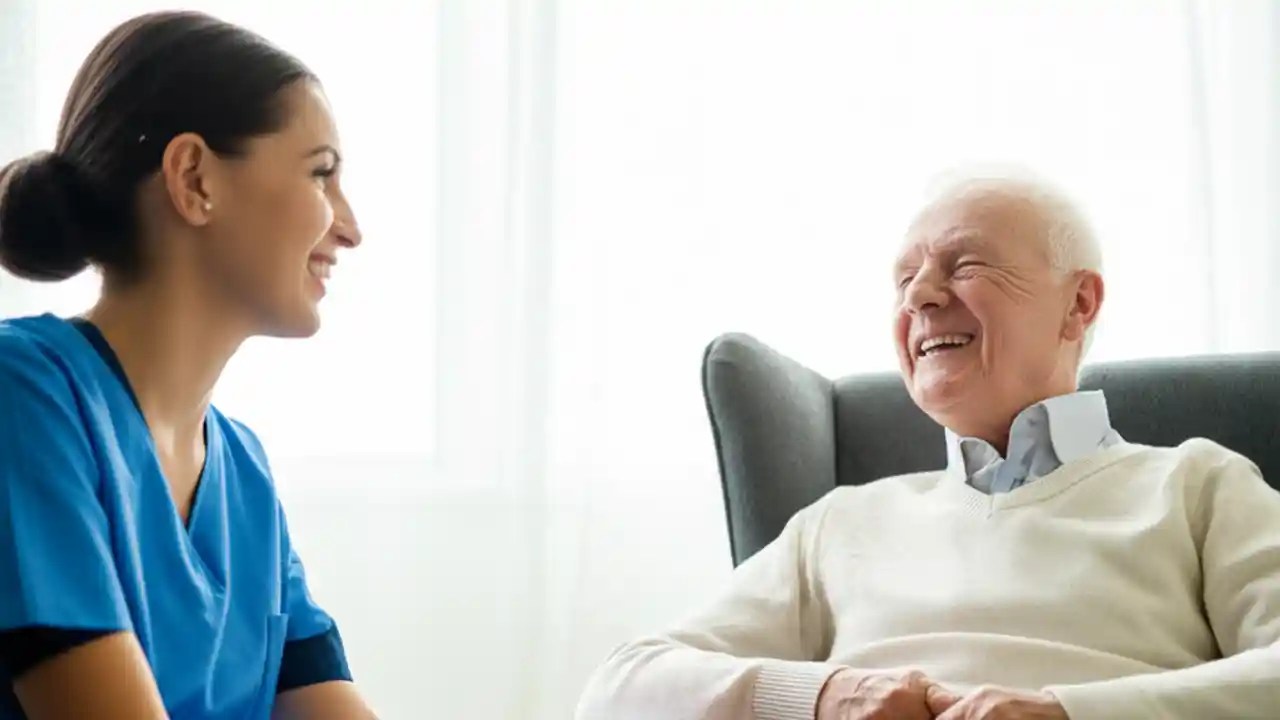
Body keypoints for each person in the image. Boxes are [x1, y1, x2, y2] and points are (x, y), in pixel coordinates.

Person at [575, 171, 1280, 720]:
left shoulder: (1198, 486)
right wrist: (824, 699)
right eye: (904, 279)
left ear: (1080, 303)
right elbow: (620, 690)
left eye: (964, 264)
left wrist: (1069, 711)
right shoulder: (838, 524)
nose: (919, 298)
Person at [0, 11, 377, 720]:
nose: (350, 227)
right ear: (194, 178)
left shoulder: (245, 476)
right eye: (321, 174)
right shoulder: (23, 397)